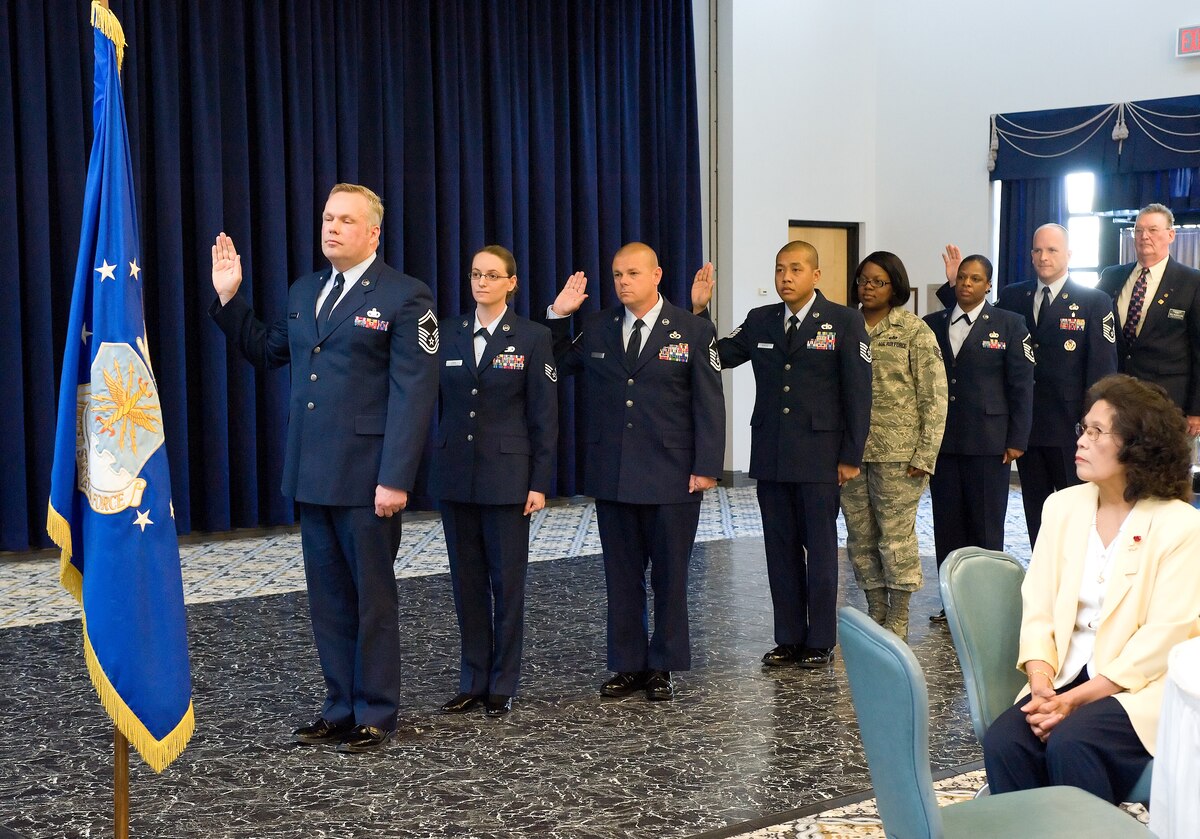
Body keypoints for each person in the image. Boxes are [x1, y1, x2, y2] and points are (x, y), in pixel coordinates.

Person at [209, 183, 439, 752]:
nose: (331, 228)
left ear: (373, 233)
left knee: (372, 599)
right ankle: (339, 705)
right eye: (327, 218)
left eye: (345, 220)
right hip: (313, 471)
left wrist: (396, 477)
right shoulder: (305, 289)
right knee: (329, 600)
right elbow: (268, 351)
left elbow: (414, 393)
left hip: (368, 476)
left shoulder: (407, 297)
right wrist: (230, 298)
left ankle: (376, 711)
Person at [983, 374, 1200, 805]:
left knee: (1074, 742)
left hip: (1140, 689)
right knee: (1005, 740)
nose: (1081, 440)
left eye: (1097, 431)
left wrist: (1075, 702)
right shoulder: (1062, 507)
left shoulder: (1181, 524)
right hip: (1064, 674)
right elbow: (1038, 607)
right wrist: (1043, 684)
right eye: (1083, 428)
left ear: (1136, 445)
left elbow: (1164, 637)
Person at [547, 242, 724, 702]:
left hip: (671, 474)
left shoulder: (692, 329)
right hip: (615, 473)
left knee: (670, 576)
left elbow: (709, 402)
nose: (623, 281)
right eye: (617, 274)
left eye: (632, 273)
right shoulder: (599, 327)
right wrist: (556, 315)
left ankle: (662, 665)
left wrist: (707, 466)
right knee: (621, 576)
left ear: (656, 274)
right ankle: (627, 664)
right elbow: (554, 367)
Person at [691, 241, 872, 667]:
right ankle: (789, 637)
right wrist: (700, 315)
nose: (785, 278)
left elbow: (859, 394)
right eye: (779, 270)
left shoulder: (844, 322)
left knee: (821, 550)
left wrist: (851, 455)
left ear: (816, 275)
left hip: (820, 455)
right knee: (780, 548)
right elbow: (714, 357)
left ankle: (820, 640)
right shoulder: (761, 320)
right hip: (772, 453)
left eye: (795, 269)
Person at [431, 245, 557, 719]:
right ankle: (472, 680)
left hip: (508, 478)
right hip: (457, 476)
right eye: (475, 275)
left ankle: (502, 682)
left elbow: (544, 416)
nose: (481, 282)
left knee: (506, 584)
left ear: (511, 282)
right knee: (466, 584)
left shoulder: (532, 336)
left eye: (491, 275)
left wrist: (539, 481)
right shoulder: (447, 334)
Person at [944, 225, 1119, 545]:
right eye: (1037, 250)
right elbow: (976, 323)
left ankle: (1076, 581)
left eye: (1052, 250)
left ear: (1068, 254)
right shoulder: (1014, 295)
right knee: (1035, 514)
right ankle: (1044, 577)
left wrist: (1093, 425)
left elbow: (1102, 373)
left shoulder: (1094, 301)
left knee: (1077, 511)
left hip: (1071, 428)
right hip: (1025, 428)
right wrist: (955, 284)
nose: (1044, 257)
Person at [839, 252, 946, 642]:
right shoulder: (844, 327)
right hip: (851, 454)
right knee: (860, 536)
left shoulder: (914, 331)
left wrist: (926, 454)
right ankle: (876, 609)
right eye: (863, 280)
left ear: (895, 286)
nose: (868, 288)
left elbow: (934, 397)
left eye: (878, 281)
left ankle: (898, 615)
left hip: (900, 456)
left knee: (896, 537)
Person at [924, 254, 1034, 622]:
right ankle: (952, 603)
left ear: (989, 285)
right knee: (948, 523)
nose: (967, 284)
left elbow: (1021, 386)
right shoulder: (933, 324)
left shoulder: (1010, 324)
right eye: (962, 278)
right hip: (944, 442)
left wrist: (1017, 438)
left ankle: (985, 604)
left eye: (975, 279)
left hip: (989, 442)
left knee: (985, 525)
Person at [1097, 203, 1200, 435]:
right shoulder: (1112, 277)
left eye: (1153, 230)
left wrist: (1196, 409)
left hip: (1169, 403)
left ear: (1171, 235)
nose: (1144, 236)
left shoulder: (1192, 282)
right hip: (1119, 399)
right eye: (1139, 230)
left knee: (1165, 469)